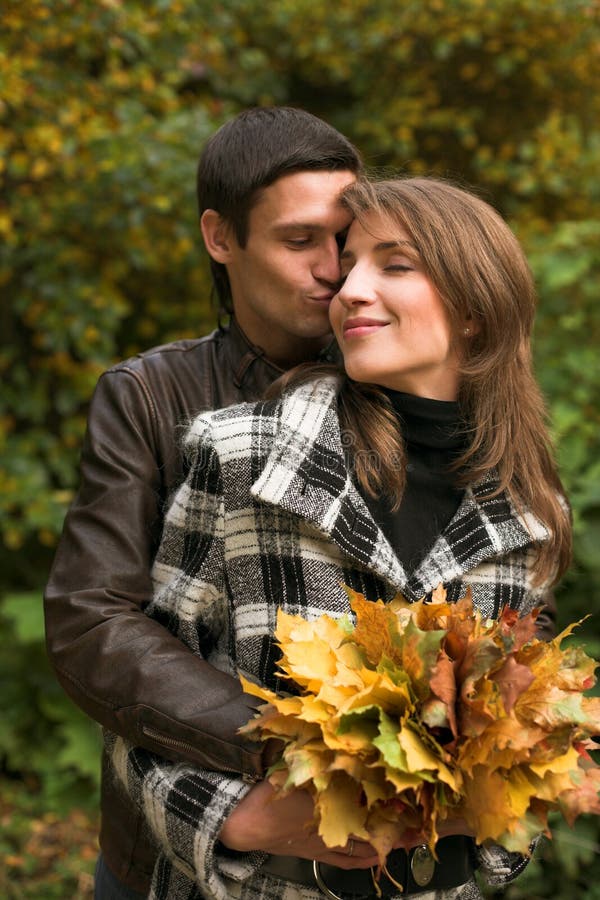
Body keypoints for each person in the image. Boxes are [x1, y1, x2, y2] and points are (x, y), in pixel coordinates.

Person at [105, 176, 572, 900]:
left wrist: (490, 825)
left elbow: (523, 742)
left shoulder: (528, 511)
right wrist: (233, 821)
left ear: (477, 310)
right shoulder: (245, 459)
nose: (348, 289)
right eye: (350, 264)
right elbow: (142, 699)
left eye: (394, 263)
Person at [43, 106, 362, 899]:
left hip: (379, 857)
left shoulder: (398, 374)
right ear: (221, 238)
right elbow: (91, 619)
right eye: (299, 241)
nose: (333, 269)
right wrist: (284, 747)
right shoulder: (149, 395)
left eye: (346, 241)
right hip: (172, 853)